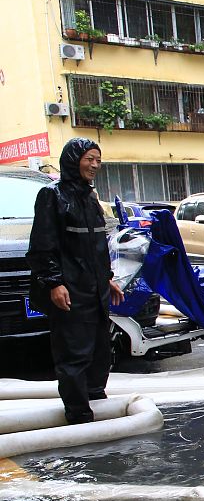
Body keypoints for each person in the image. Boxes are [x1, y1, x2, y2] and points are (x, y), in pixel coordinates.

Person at [27, 137, 124, 424]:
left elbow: (97, 245)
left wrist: (107, 279)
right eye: (89, 159)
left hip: (94, 289)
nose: (94, 165)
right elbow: (42, 246)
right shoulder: (52, 195)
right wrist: (54, 283)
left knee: (100, 349)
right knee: (74, 351)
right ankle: (78, 414)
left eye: (98, 159)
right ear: (73, 160)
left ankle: (96, 398)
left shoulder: (89, 197)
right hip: (71, 288)